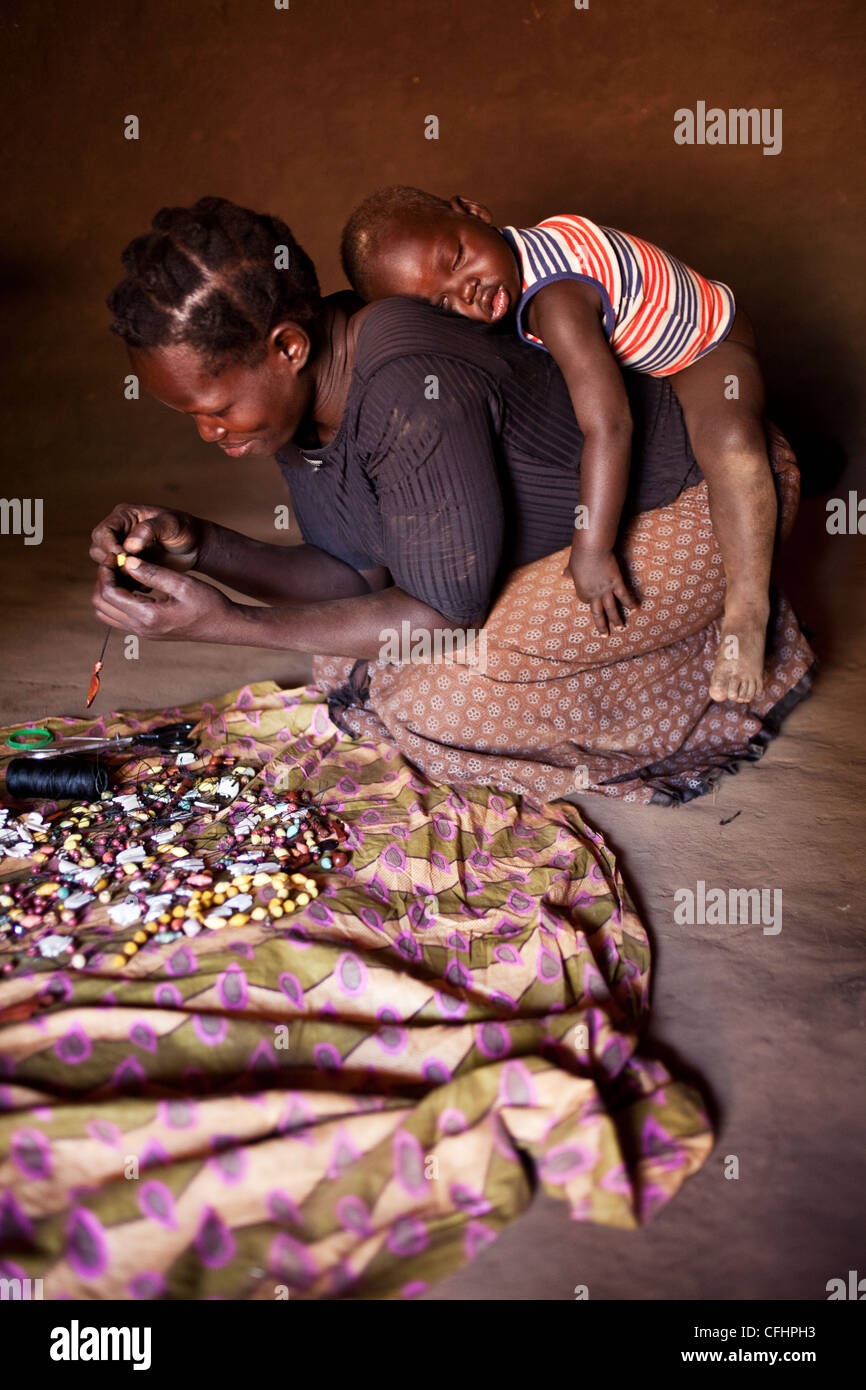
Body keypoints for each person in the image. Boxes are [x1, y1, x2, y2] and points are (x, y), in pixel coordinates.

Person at [91, 196, 814, 805]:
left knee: (434, 703)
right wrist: (201, 547)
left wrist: (228, 625)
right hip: (539, 548)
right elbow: (353, 575)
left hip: (692, 499)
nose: (207, 430)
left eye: (214, 407)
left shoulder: (410, 385)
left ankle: (729, 643)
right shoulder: (305, 387)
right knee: (348, 655)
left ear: (287, 348)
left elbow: (440, 614)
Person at [339, 186, 776, 706]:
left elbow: (610, 427)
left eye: (456, 259)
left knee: (732, 443)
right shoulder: (516, 259)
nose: (468, 291)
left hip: (707, 345)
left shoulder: (557, 301)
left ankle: (749, 609)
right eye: (441, 304)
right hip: (641, 353)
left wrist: (593, 548)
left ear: (474, 210)